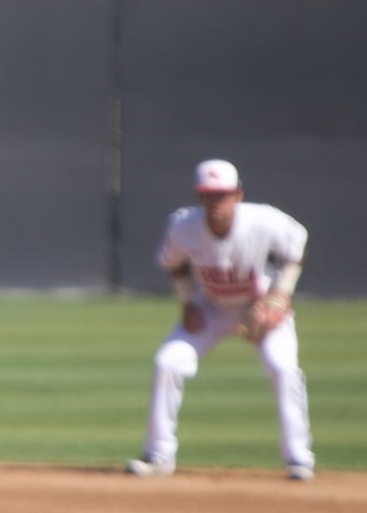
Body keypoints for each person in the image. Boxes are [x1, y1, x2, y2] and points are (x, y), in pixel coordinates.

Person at [125, 159, 313, 482]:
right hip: (211, 307)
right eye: (208, 195)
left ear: (237, 194)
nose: (215, 202)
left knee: (282, 368)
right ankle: (159, 457)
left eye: (222, 195)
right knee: (168, 362)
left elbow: (296, 248)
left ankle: (299, 459)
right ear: (200, 197)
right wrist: (186, 302)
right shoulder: (183, 226)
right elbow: (174, 263)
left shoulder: (264, 220)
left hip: (260, 308)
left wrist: (281, 296)